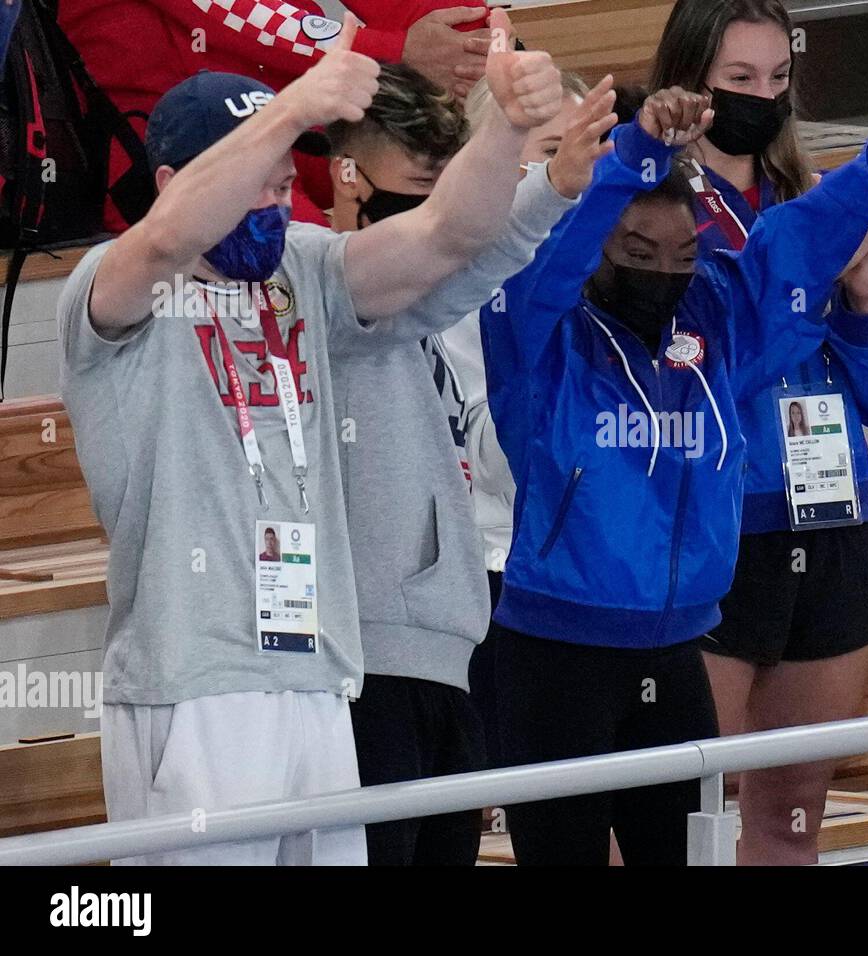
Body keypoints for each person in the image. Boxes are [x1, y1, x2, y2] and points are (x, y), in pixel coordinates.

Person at [57, 10, 563, 864]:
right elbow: (171, 234)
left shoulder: (307, 269)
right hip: (197, 683)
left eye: (279, 185)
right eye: (253, 179)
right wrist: (289, 113)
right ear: (175, 175)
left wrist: (508, 128)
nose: (272, 200)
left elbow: (449, 233)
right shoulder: (112, 287)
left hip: (322, 673)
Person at [481, 77, 868, 865]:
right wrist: (634, 155)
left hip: (680, 649)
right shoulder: (540, 328)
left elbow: (796, 238)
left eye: (684, 254)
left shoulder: (715, 319)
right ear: (598, 245)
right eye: (637, 252)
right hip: (554, 653)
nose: (664, 272)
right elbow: (552, 253)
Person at [647, 0, 868, 864]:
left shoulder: (814, 202)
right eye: (739, 80)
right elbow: (699, 377)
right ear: (688, 81)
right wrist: (796, 300)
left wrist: (864, 296)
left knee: (797, 810)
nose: (762, 98)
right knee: (677, 808)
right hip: (712, 534)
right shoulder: (650, 213)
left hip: (831, 528)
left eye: (778, 79)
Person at [323, 61, 615, 864]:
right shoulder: (320, 284)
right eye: (418, 184)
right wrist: (541, 174)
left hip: (443, 647)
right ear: (344, 175)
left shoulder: (423, 298)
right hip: (361, 666)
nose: (433, 214)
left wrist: (555, 183)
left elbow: (483, 255)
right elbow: (467, 246)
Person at [434, 70, 596, 769]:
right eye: (551, 153)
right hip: (494, 575)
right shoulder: (450, 274)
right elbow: (493, 453)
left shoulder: (622, 264)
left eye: (584, 154)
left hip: (594, 566)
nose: (569, 178)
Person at [59, 0, 492, 229]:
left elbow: (441, 17)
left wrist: (471, 42)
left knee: (460, 184)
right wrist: (400, 51)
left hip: (298, 133)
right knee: (318, 271)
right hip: (180, 164)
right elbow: (240, 14)